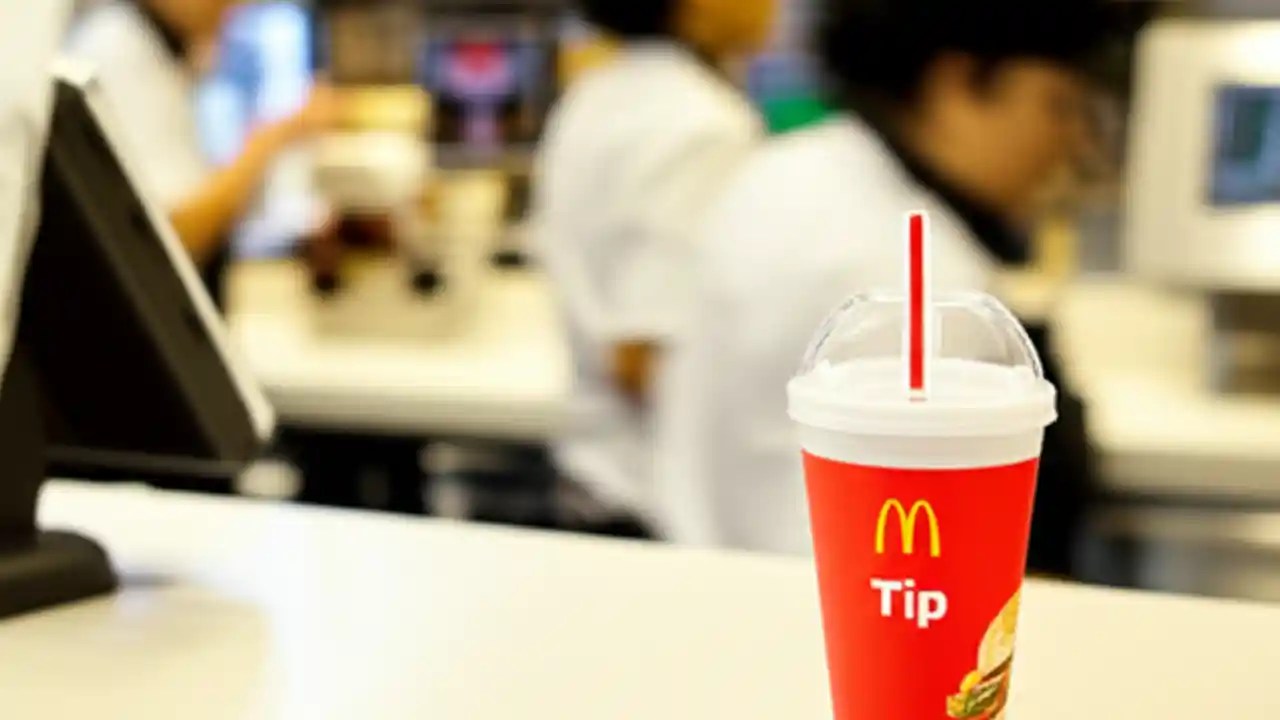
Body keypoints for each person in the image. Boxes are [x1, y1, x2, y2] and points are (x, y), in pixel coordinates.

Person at [657, 0, 1110, 568]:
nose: (1067, 143)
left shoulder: (791, 169)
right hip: (836, 608)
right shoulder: (912, 277)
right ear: (960, 85)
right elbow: (932, 551)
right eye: (1058, 107)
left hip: (728, 575)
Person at [534, 0, 776, 535]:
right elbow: (641, 358)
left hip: (594, 474)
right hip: (656, 500)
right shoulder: (700, 122)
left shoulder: (595, 94)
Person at [68, 0, 329, 308]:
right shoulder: (116, 51)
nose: (234, 8)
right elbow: (173, 237)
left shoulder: (157, 47)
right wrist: (275, 135)